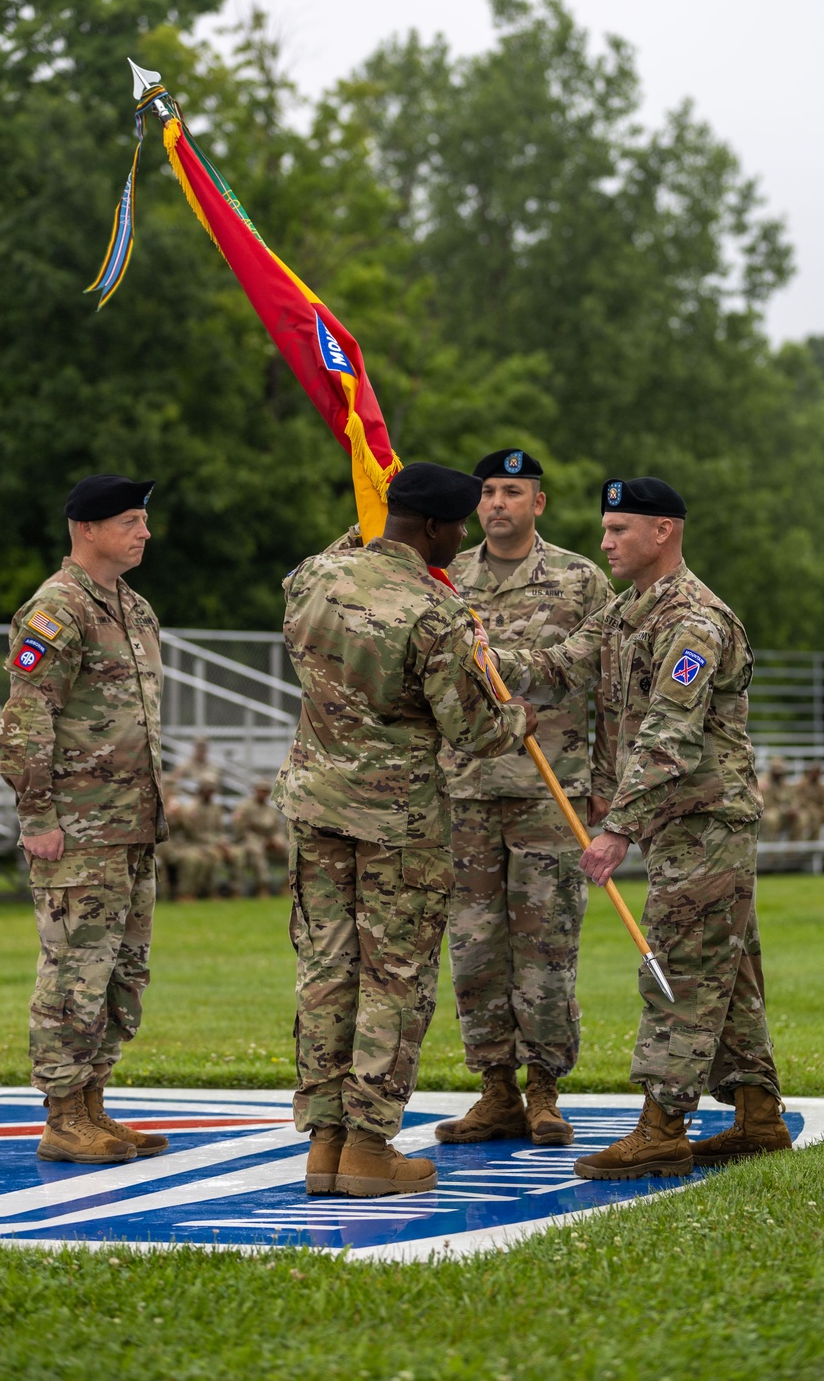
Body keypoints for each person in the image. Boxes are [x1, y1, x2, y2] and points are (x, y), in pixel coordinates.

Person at [493, 476, 791, 1179]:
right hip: (681, 827)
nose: (604, 543)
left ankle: (661, 1126)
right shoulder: (629, 614)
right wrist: (482, 652)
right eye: (604, 529)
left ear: (664, 532)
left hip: (705, 824)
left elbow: (670, 736)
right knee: (730, 969)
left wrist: (617, 827)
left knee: (680, 970)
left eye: (619, 530)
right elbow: (559, 665)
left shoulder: (694, 622)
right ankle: (757, 1116)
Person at [273, 463, 535, 1199]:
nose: (464, 537)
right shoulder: (434, 613)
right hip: (398, 821)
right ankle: (367, 1145)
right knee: (395, 980)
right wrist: (519, 720)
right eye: (457, 526)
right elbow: (472, 730)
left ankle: (323, 1144)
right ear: (432, 528)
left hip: (315, 806)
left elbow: (319, 579)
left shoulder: (312, 579)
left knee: (327, 972)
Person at [435, 448, 613, 1148]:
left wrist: (606, 781)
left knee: (548, 945)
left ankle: (544, 1090)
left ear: (539, 502)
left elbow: (610, 688)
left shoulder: (579, 580)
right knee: (475, 947)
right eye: (487, 493)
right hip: (467, 791)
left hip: (551, 792)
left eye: (513, 491)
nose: (497, 503)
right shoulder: (447, 578)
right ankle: (494, 1089)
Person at [0, 474, 169, 1165]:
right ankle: (63, 1113)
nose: (144, 531)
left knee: (121, 973)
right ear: (88, 529)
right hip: (77, 830)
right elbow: (25, 719)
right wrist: (38, 814)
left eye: (144, 520)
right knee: (74, 971)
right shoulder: (56, 610)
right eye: (131, 520)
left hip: (129, 827)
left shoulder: (133, 607)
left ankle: (94, 1104)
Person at [231, 780, 286, 895]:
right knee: (257, 851)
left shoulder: (271, 810)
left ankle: (288, 885)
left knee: (291, 850)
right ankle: (262, 886)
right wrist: (262, 841)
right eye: (261, 790)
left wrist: (277, 840)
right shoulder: (244, 807)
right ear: (255, 791)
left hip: (270, 841)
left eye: (266, 791)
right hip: (248, 842)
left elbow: (277, 830)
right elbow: (241, 830)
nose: (263, 793)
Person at [176, 780, 228, 898]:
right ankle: (186, 892)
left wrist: (222, 842)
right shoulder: (191, 808)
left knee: (215, 857)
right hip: (191, 844)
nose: (209, 793)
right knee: (194, 859)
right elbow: (192, 832)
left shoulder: (216, 808)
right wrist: (214, 842)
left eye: (211, 790)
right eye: (207, 790)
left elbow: (220, 830)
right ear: (200, 791)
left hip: (211, 844)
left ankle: (210, 891)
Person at [794, 763, 824, 843]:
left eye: (818, 772)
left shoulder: (821, 786)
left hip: (818, 812)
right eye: (814, 772)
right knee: (812, 818)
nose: (816, 774)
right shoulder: (802, 785)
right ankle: (810, 845)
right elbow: (798, 800)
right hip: (805, 811)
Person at [758, 756, 801, 842]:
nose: (778, 773)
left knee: (799, 818)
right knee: (772, 819)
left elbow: (792, 799)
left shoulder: (784, 783)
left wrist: (793, 809)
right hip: (767, 813)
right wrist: (783, 809)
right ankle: (771, 851)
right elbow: (765, 804)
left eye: (780, 771)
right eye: (776, 770)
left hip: (782, 812)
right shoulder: (763, 783)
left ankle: (792, 850)